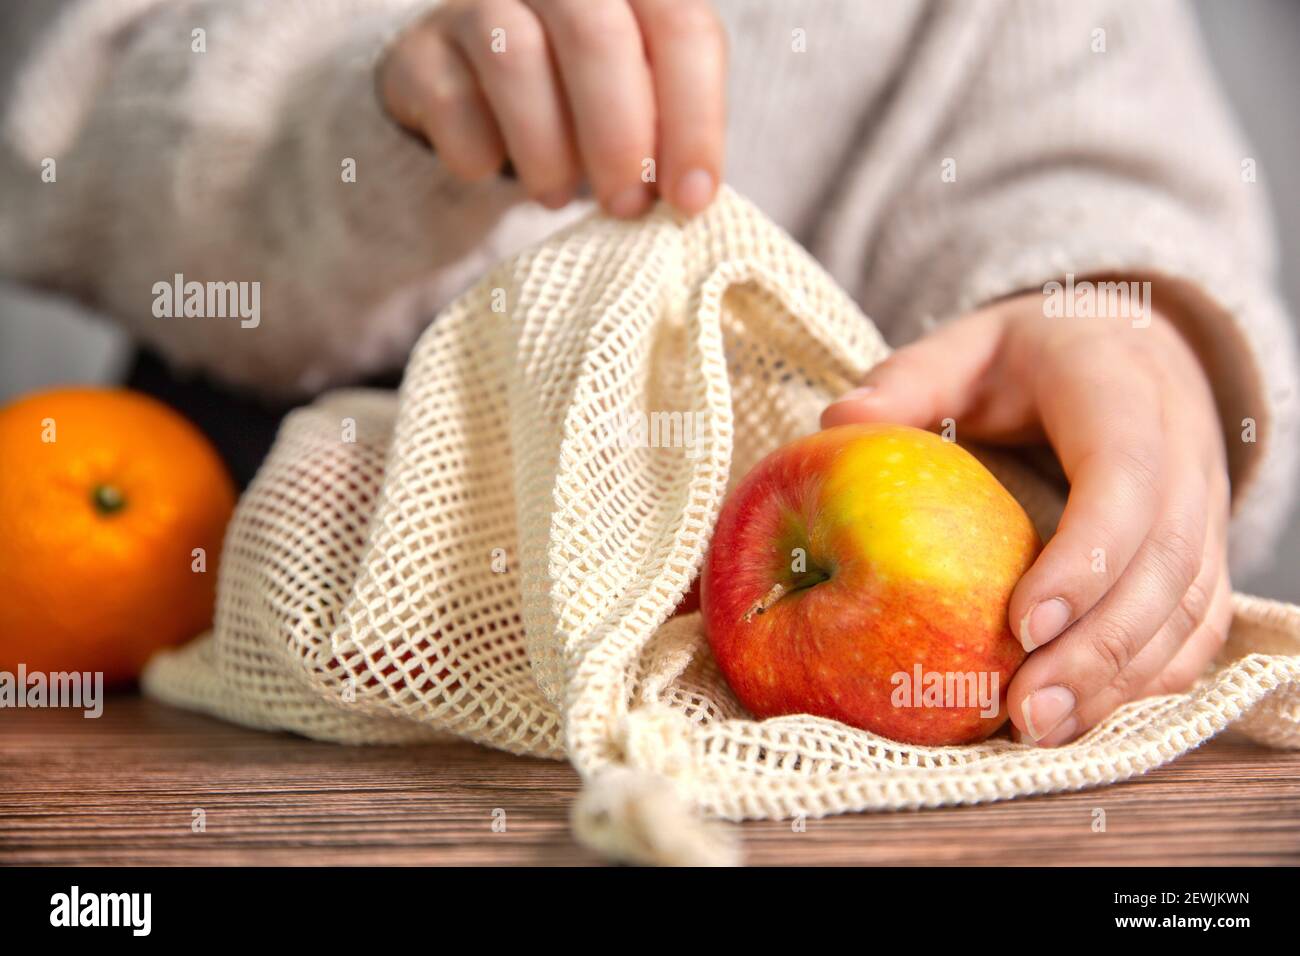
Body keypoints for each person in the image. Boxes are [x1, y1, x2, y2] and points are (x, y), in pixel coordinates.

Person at [1, 0, 1296, 749]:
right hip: (239, 649)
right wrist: (381, 122)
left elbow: (1091, 143)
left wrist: (1129, 315)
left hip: (786, 731)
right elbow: (60, 155)